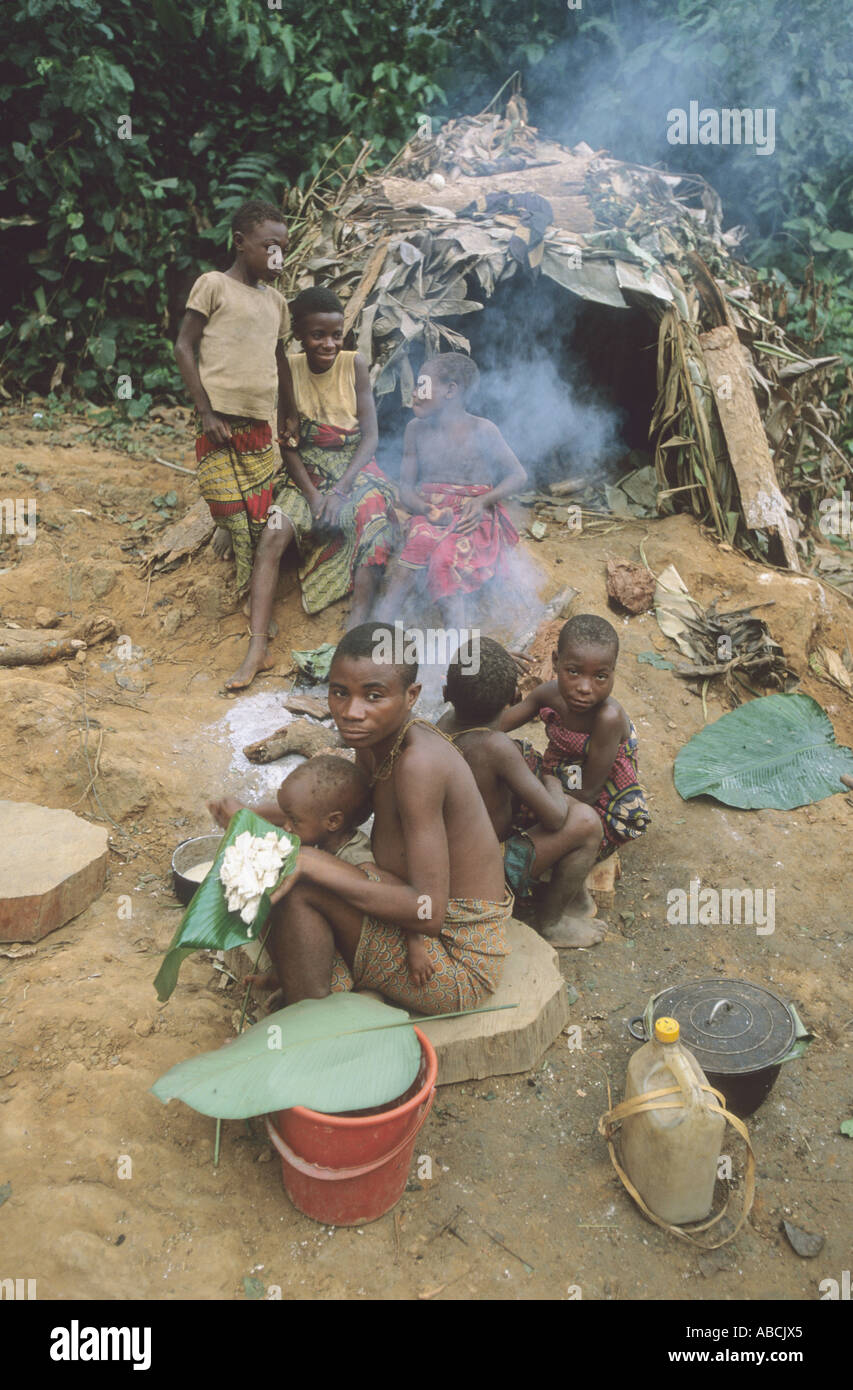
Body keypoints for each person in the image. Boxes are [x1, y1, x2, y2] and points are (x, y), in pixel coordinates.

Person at [263, 623, 513, 1012]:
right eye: (339, 692)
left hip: (455, 960)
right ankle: (322, 990)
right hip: (411, 917)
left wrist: (311, 863)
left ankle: (310, 1036)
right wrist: (245, 815)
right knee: (282, 866)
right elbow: (333, 812)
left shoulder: (420, 766)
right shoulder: (376, 742)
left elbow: (428, 912)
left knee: (301, 884)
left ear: (411, 695)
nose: (351, 712)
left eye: (373, 696)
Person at [225, 287, 399, 691]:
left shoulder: (354, 365)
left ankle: (352, 644)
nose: (329, 344)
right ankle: (258, 648)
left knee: (374, 529)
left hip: (355, 471)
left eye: (336, 334)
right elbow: (287, 442)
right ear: (300, 335)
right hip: (307, 474)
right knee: (271, 535)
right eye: (318, 335)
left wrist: (340, 490)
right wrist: (314, 495)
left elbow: (371, 438)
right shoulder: (288, 368)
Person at [438, 637, 605, 947]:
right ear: (511, 701)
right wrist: (550, 780)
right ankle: (551, 923)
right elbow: (555, 818)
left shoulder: (441, 725)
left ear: (446, 692)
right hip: (477, 881)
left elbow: (477, 702)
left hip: (440, 870)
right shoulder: (495, 746)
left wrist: (489, 661)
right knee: (585, 821)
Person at [173, 199, 297, 600]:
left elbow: (280, 361)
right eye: (269, 246)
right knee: (228, 509)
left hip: (258, 424)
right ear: (241, 242)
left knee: (258, 518)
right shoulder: (213, 285)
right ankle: (228, 531)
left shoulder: (276, 302)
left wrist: (288, 413)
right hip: (219, 421)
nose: (278, 256)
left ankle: (248, 594)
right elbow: (183, 347)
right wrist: (205, 411)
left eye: (283, 248)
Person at [208, 754, 376, 1004]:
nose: (286, 826)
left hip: (350, 950)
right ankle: (287, 976)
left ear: (333, 821)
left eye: (293, 820)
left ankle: (311, 998)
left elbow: (369, 907)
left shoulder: (355, 857)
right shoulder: (315, 835)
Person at [376, 353, 526, 628]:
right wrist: (427, 510)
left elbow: (518, 475)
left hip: (473, 517)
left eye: (422, 385)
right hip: (432, 514)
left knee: (444, 558)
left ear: (450, 390)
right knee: (411, 554)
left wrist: (483, 501)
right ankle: (374, 636)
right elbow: (406, 491)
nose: (414, 393)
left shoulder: (483, 430)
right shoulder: (415, 430)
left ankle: (454, 648)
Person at [500, 613, 650, 864]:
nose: (584, 687)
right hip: (561, 780)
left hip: (598, 803)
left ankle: (568, 897)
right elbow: (494, 728)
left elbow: (589, 792)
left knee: (576, 833)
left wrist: (540, 803)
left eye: (600, 676)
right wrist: (497, 674)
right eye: (573, 671)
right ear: (556, 662)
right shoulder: (549, 693)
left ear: (613, 672)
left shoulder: (607, 718)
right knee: (502, 752)